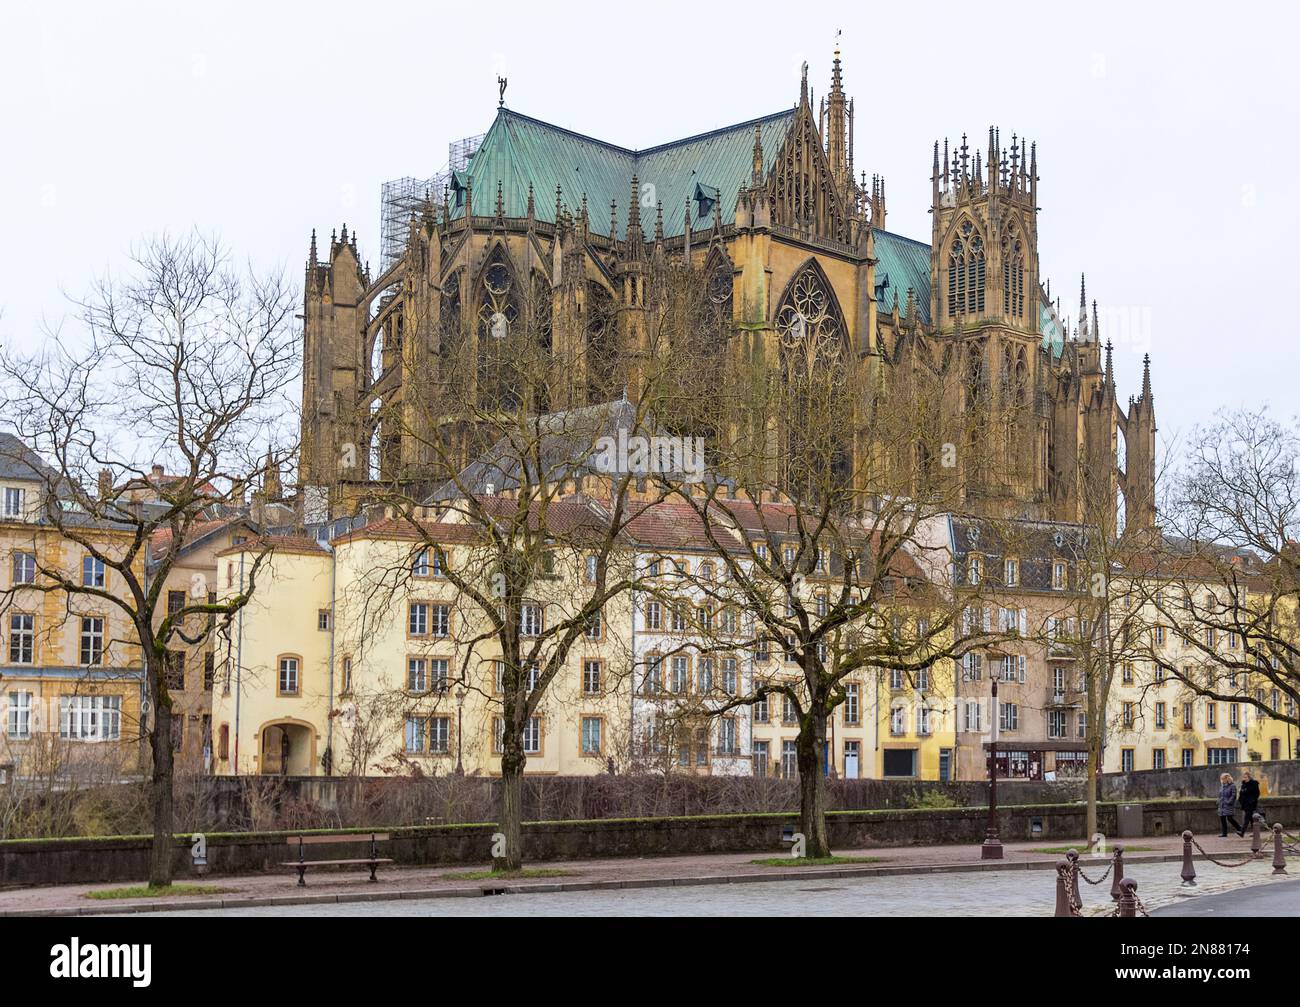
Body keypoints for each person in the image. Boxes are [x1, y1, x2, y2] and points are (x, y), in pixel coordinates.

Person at [1217, 772, 1243, 837]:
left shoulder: (1232, 786)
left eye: (1223, 779)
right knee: (1222, 818)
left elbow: (1234, 795)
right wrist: (1218, 801)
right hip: (1222, 805)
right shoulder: (1222, 786)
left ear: (1227, 779)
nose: (1222, 780)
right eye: (1221, 779)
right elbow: (1220, 795)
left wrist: (1229, 802)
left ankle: (1240, 828)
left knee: (1230, 818)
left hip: (1228, 805)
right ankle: (1224, 833)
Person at [1238, 770, 1262, 836]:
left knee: (1246, 818)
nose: (1244, 779)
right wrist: (1240, 800)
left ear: (1249, 777)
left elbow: (1257, 793)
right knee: (1251, 818)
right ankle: (1256, 832)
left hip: (1251, 804)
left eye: (1246, 777)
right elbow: (1241, 794)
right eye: (1244, 777)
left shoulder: (1254, 784)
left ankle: (1242, 832)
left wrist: (1252, 800)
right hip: (1245, 804)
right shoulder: (1243, 785)